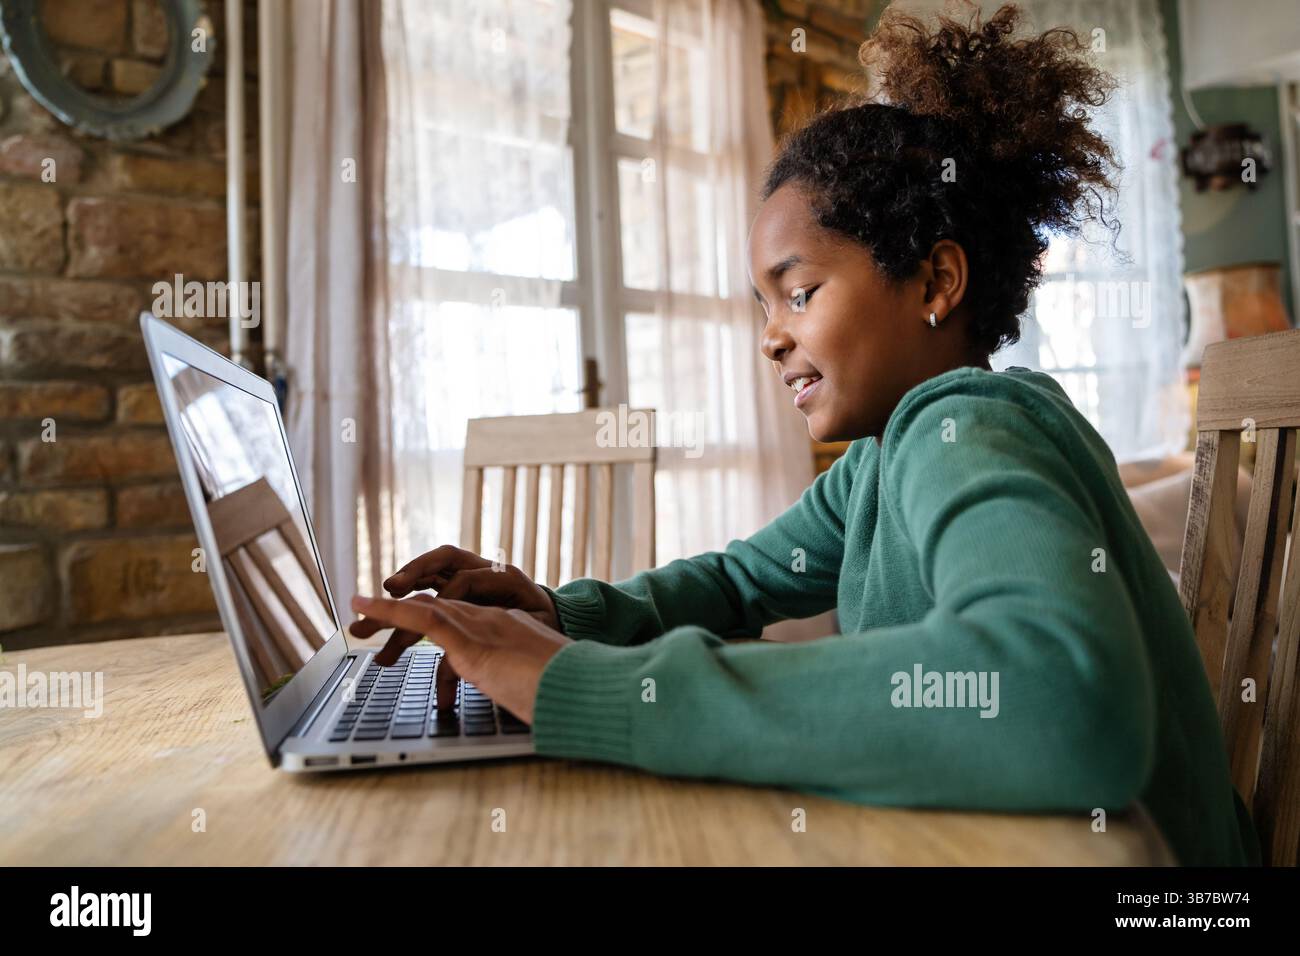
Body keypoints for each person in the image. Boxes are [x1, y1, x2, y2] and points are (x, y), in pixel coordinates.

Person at [350, 3, 1258, 866]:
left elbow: (1061, 699)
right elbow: (739, 579)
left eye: (800, 290)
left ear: (937, 280)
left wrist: (577, 689)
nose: (771, 333)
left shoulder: (970, 431)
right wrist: (557, 616)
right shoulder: (880, 462)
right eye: (763, 303)